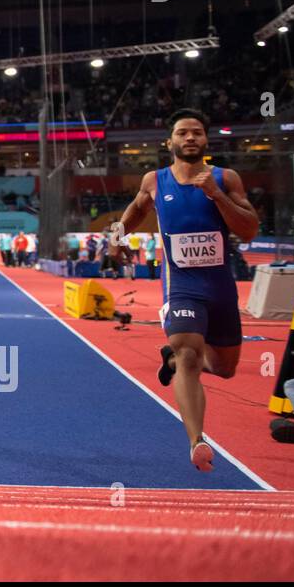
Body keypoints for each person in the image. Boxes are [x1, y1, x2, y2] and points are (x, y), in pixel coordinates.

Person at [116, 108, 259, 471]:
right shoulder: (155, 180)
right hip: (182, 287)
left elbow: (249, 230)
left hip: (221, 288)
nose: (190, 138)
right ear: (171, 141)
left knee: (225, 368)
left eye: (196, 132)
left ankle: (171, 359)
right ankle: (197, 440)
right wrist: (117, 237)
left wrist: (217, 196)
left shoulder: (226, 178)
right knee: (190, 356)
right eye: (183, 133)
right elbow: (135, 209)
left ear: (206, 140)